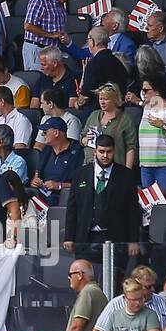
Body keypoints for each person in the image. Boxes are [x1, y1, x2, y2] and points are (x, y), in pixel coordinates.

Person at [63, 134, 142, 266]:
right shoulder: (80, 174)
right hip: (86, 237)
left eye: (109, 152)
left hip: (116, 238)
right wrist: (69, 237)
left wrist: (133, 240)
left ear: (114, 151)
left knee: (115, 280)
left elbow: (133, 211)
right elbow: (72, 208)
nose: (105, 156)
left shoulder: (126, 175)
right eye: (101, 151)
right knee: (86, 279)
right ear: (95, 152)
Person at [83, 277, 162, 331]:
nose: (138, 303)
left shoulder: (150, 315)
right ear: (125, 298)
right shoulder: (114, 316)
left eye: (140, 299)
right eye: (133, 300)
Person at [46, 261, 106, 331]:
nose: (68, 278)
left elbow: (77, 327)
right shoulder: (96, 292)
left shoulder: (88, 292)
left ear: (79, 275)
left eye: (70, 275)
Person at [22, 0, 73, 73]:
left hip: (53, 52)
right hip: (37, 49)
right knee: (37, 80)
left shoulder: (61, 4)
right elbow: (28, 26)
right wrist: (51, 35)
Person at [30, 117, 83, 209]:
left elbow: (82, 183)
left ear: (56, 133)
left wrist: (59, 185)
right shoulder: (46, 150)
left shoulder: (77, 151)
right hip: (43, 199)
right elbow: (36, 175)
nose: (43, 135)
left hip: (65, 200)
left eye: (45, 132)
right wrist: (35, 181)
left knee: (55, 221)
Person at [83, 84, 138, 170]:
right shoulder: (94, 115)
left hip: (115, 168)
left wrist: (127, 172)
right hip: (91, 166)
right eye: (100, 99)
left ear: (115, 99)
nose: (102, 102)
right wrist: (85, 140)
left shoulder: (126, 119)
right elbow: (82, 137)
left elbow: (130, 147)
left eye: (106, 99)